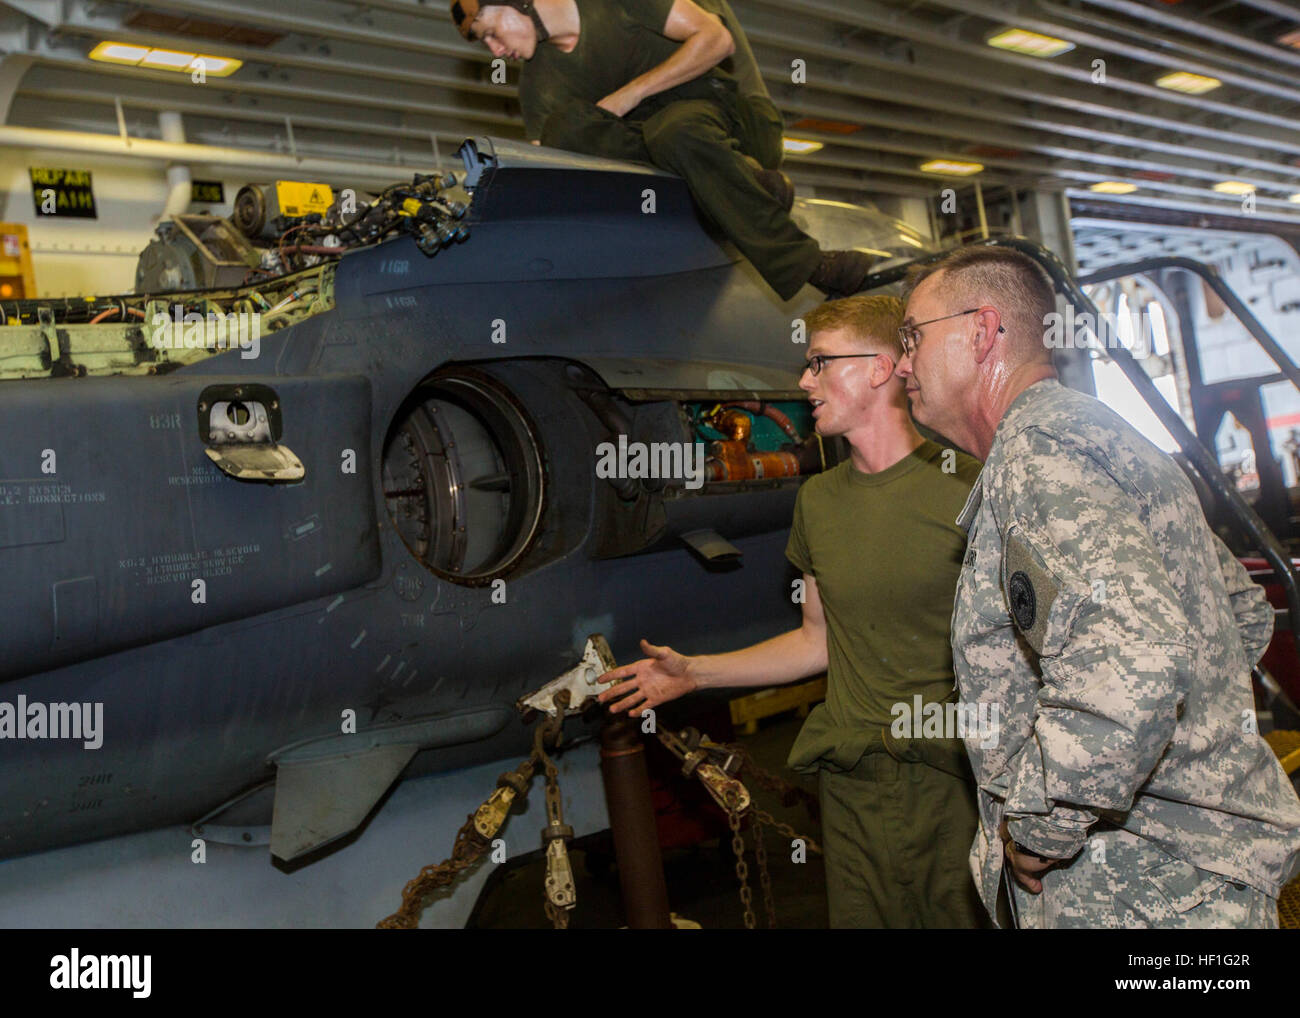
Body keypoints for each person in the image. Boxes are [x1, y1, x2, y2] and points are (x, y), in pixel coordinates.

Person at [895, 245, 1300, 929]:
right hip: (1200, 879)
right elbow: (1242, 617)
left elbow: (1130, 671)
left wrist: (1039, 821)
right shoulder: (1101, 433)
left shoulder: (1039, 456)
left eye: (912, 337)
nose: (901, 364)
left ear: (982, 330)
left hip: (1140, 890)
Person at [595, 295, 988, 927]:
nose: (804, 381)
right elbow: (817, 641)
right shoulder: (819, 502)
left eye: (820, 363)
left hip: (956, 784)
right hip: (853, 788)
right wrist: (695, 673)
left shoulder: (968, 487)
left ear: (880, 368)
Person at [449, 0, 877, 300]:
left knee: (674, 129)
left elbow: (716, 39)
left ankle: (812, 265)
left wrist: (627, 97)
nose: (495, 51)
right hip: (673, 160)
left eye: (491, 33)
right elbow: (553, 170)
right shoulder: (538, 84)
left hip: (730, 117)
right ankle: (739, 185)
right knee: (567, 128)